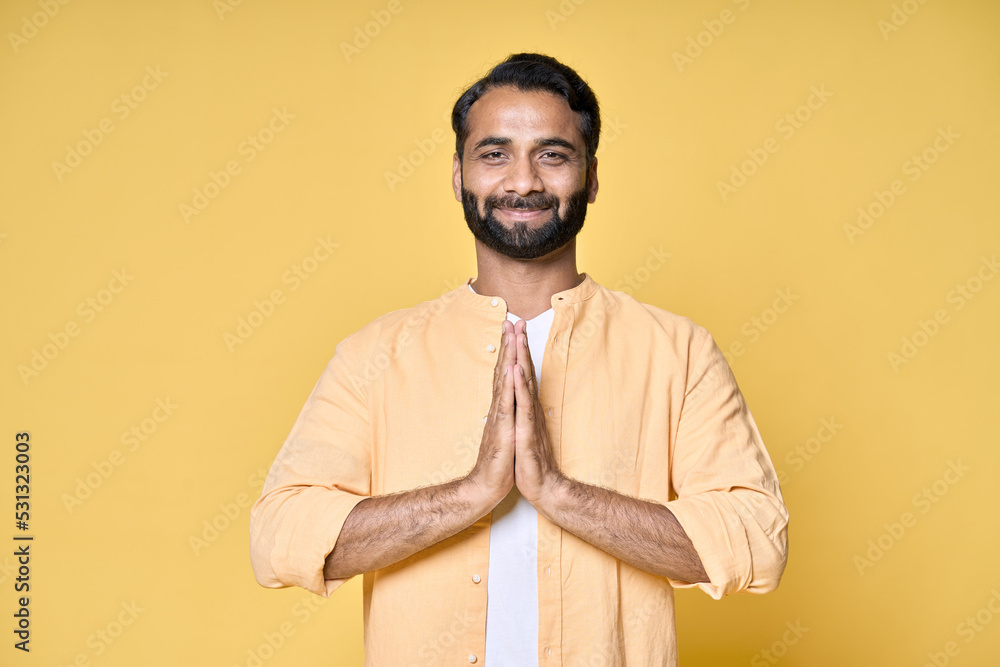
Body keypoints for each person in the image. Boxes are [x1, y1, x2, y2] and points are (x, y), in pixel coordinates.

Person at [249, 52, 788, 666]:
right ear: (458, 175)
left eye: (553, 155)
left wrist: (558, 494)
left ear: (590, 176)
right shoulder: (374, 355)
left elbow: (756, 538)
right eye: (495, 153)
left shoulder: (678, 351)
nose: (524, 181)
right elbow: (278, 538)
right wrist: (471, 494)